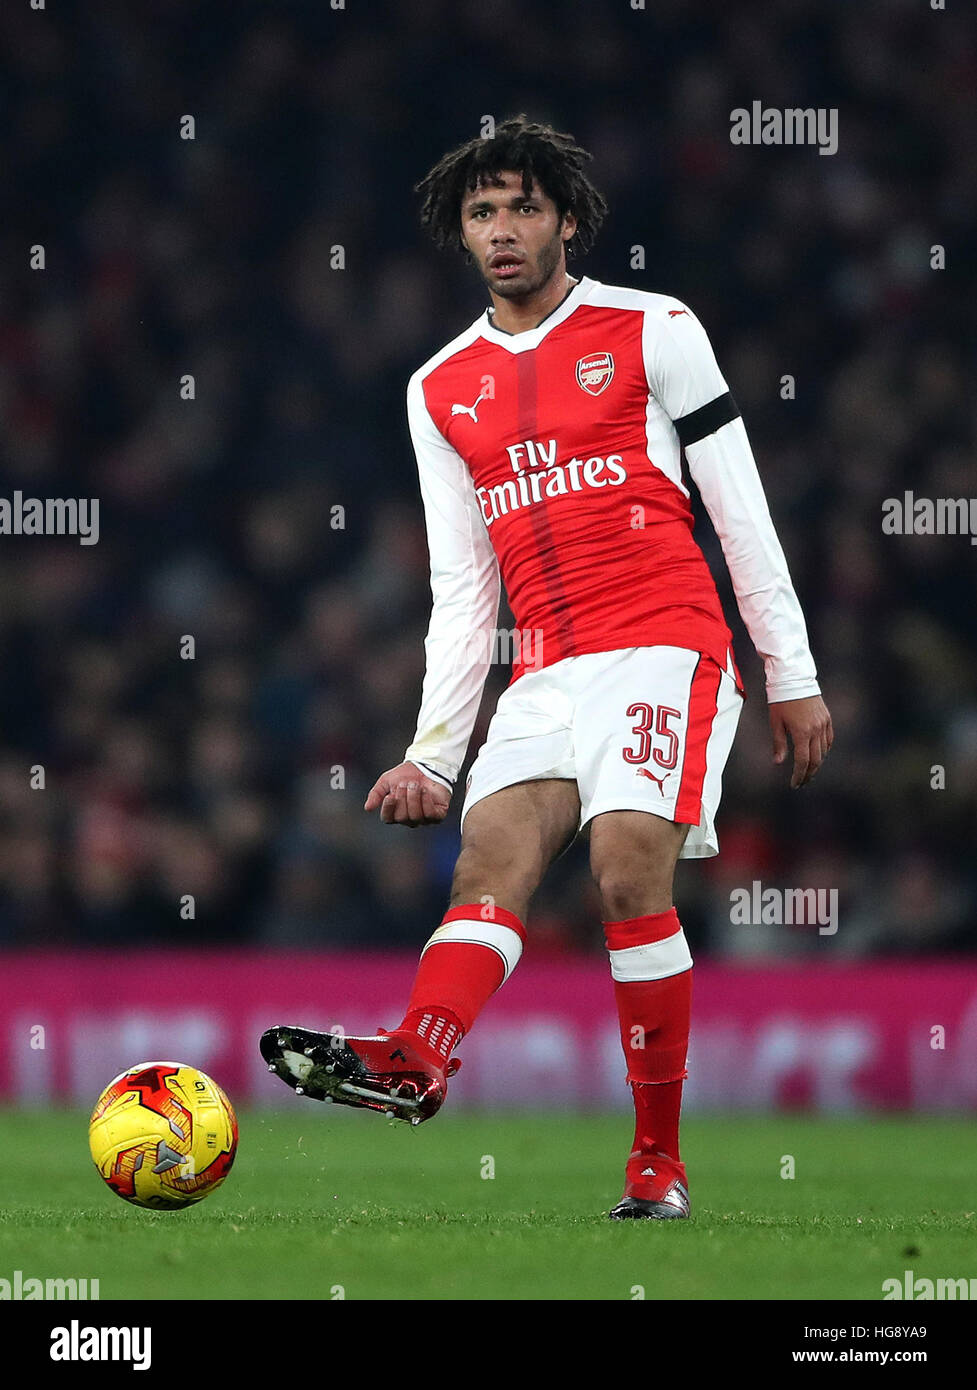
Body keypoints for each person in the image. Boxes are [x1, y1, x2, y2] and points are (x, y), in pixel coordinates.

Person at [261, 116, 833, 1220]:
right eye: (482, 213)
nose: (503, 229)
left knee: (626, 864)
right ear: (459, 235)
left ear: (565, 217)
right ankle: (419, 1060)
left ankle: (654, 1163)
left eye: (523, 206)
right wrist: (430, 752)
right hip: (547, 669)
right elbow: (464, 586)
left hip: (666, 642)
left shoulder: (651, 327)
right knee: (489, 860)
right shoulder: (440, 386)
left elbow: (739, 507)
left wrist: (791, 668)